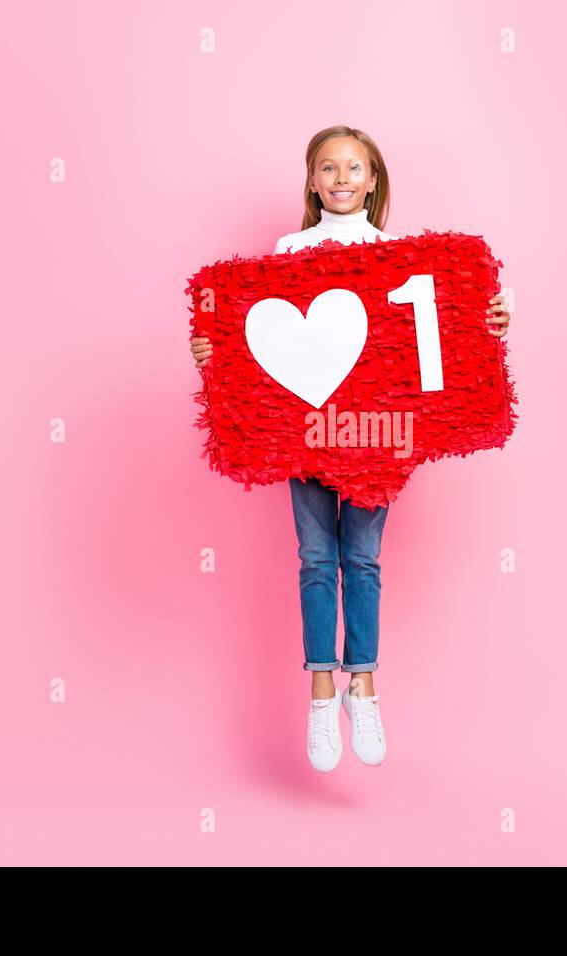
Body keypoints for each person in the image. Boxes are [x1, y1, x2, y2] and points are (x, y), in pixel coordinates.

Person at [189, 126, 512, 772]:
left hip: (373, 435)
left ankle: (362, 683)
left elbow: (439, 326)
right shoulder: (287, 252)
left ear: (373, 180)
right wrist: (212, 352)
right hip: (305, 433)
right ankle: (319, 690)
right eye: (327, 168)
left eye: (353, 167)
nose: (340, 178)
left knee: (361, 557)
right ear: (311, 181)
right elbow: (254, 340)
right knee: (316, 556)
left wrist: (487, 316)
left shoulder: (396, 255)